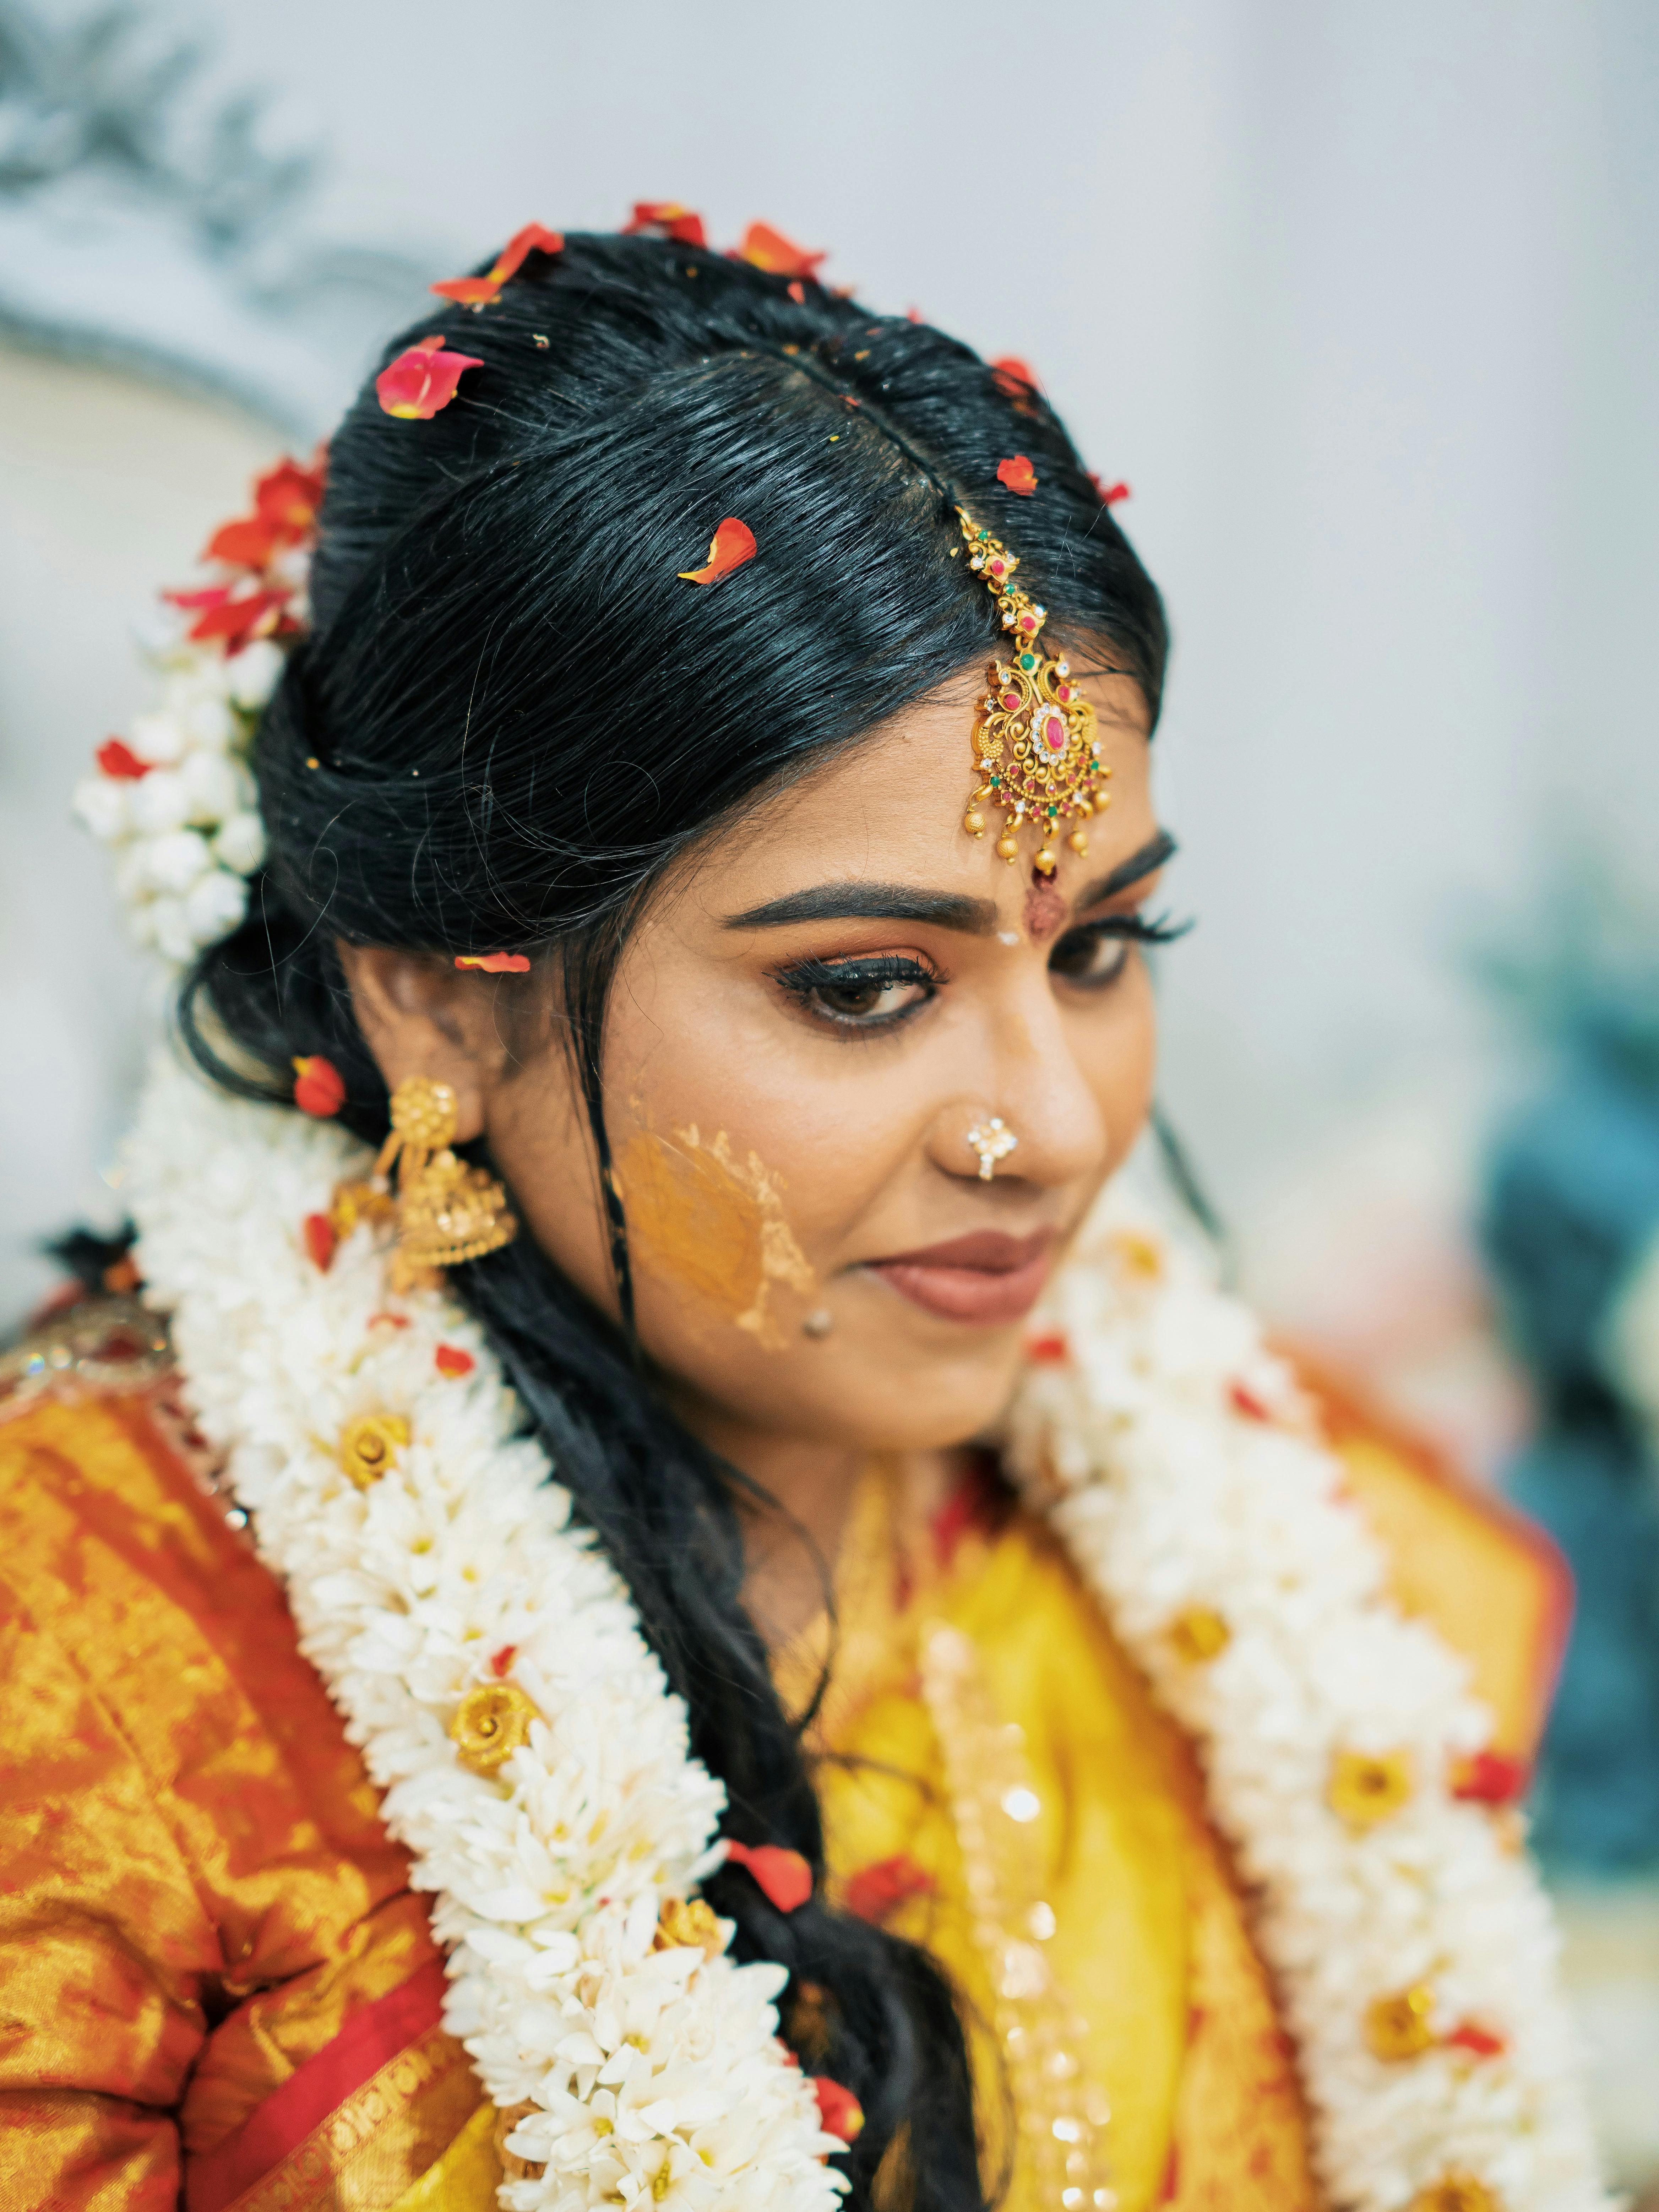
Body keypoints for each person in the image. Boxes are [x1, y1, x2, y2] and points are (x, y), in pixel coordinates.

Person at [0, 219, 1606, 2212]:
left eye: (1104, 947)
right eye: (867, 984)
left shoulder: (1286, 1563)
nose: (1050, 1126)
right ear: (434, 990)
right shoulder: (78, 1674)